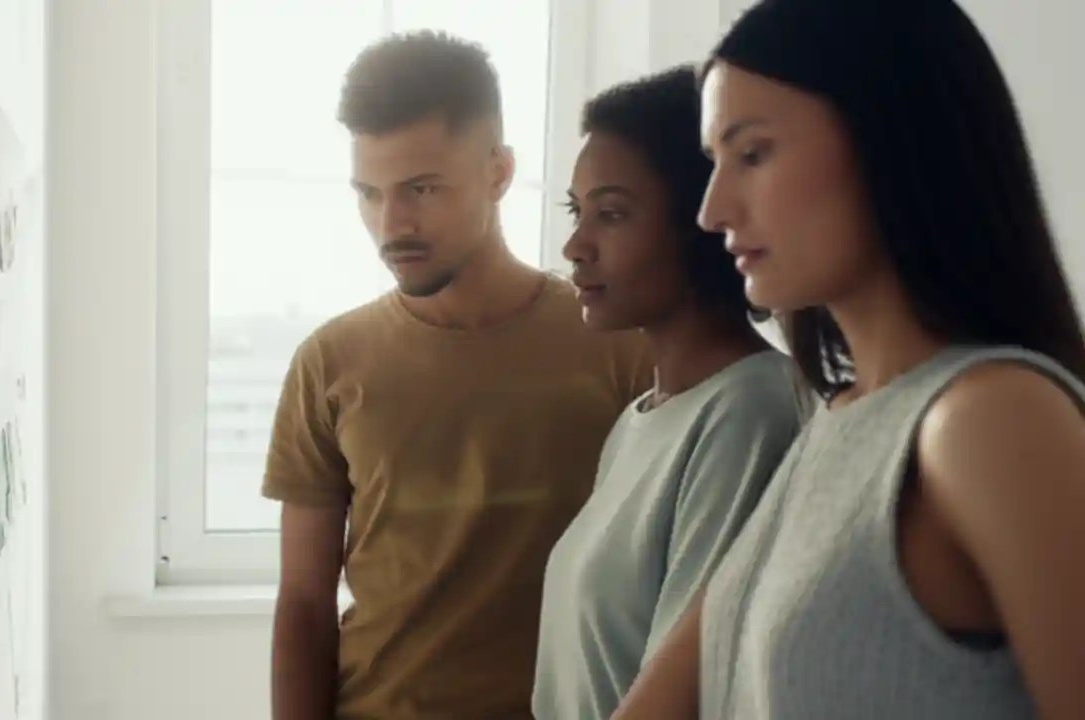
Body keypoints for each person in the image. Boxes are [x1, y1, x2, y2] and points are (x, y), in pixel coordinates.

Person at [613, 1, 1085, 718]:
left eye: (754, 153)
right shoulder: (832, 426)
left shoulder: (986, 419)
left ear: (891, 141)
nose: (712, 210)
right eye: (715, 162)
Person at [263, 31, 653, 720]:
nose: (392, 224)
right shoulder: (329, 362)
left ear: (499, 172)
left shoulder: (617, 345)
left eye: (421, 188)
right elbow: (302, 600)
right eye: (369, 193)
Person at [531, 68, 803, 720]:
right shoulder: (637, 421)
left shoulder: (749, 412)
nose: (575, 245)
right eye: (577, 212)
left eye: (612, 214)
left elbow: (692, 689)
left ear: (700, 221)